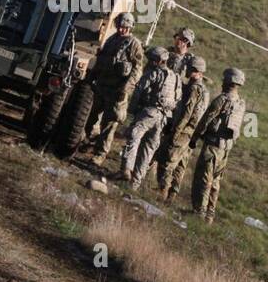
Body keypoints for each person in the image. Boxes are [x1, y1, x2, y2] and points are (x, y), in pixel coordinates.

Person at [83, 12, 146, 165]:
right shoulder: (112, 39)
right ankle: (86, 142)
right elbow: (101, 59)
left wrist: (126, 88)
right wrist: (91, 77)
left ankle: (100, 154)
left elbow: (137, 69)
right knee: (90, 116)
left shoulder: (133, 44)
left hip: (117, 90)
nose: (121, 29)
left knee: (109, 124)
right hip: (102, 85)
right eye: (120, 26)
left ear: (130, 27)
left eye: (125, 27)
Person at [189, 68, 247, 224]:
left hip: (213, 146)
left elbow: (206, 120)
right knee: (215, 182)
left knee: (204, 179)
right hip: (226, 149)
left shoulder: (221, 100)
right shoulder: (241, 103)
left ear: (228, 82)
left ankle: (199, 213)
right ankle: (210, 214)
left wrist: (194, 137)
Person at [122, 47, 182, 186]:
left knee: (134, 136)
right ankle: (135, 183)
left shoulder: (154, 73)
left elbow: (138, 90)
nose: (150, 62)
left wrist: (132, 111)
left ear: (158, 61)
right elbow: (177, 101)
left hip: (149, 112)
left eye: (152, 59)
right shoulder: (176, 78)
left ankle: (126, 168)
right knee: (148, 149)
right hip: (164, 118)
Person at [156, 56, 210, 203]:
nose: (187, 71)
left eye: (191, 69)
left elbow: (187, 113)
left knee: (168, 160)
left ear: (197, 72)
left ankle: (163, 191)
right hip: (192, 133)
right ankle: (172, 194)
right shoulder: (204, 90)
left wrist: (176, 131)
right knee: (181, 164)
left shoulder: (193, 89)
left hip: (183, 131)